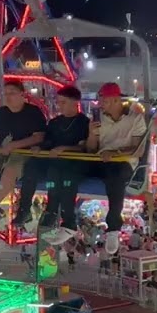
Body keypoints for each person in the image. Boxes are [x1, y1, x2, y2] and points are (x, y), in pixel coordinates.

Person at [52, 82, 147, 254]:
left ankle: (113, 228)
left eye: (104, 101)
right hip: (100, 159)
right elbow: (91, 149)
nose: (101, 104)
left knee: (115, 178)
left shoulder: (135, 119)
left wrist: (115, 152)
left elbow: (137, 149)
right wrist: (91, 133)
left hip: (122, 161)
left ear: (116, 100)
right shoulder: (98, 119)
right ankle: (68, 223)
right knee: (68, 172)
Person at [15, 85, 90, 237]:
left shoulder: (84, 123)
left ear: (75, 102)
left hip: (71, 162)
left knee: (56, 174)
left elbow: (84, 148)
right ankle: (24, 208)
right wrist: (38, 148)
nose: (59, 105)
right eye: (59, 102)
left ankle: (53, 210)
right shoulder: (55, 123)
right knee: (32, 167)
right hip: (52, 159)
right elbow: (47, 141)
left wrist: (64, 148)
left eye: (63, 102)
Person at [0, 80, 47, 230]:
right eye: (5, 94)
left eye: (11, 93)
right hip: (2, 151)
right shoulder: (0, 113)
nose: (8, 97)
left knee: (10, 171)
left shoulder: (33, 112)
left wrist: (14, 145)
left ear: (22, 94)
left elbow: (39, 137)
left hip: (23, 151)